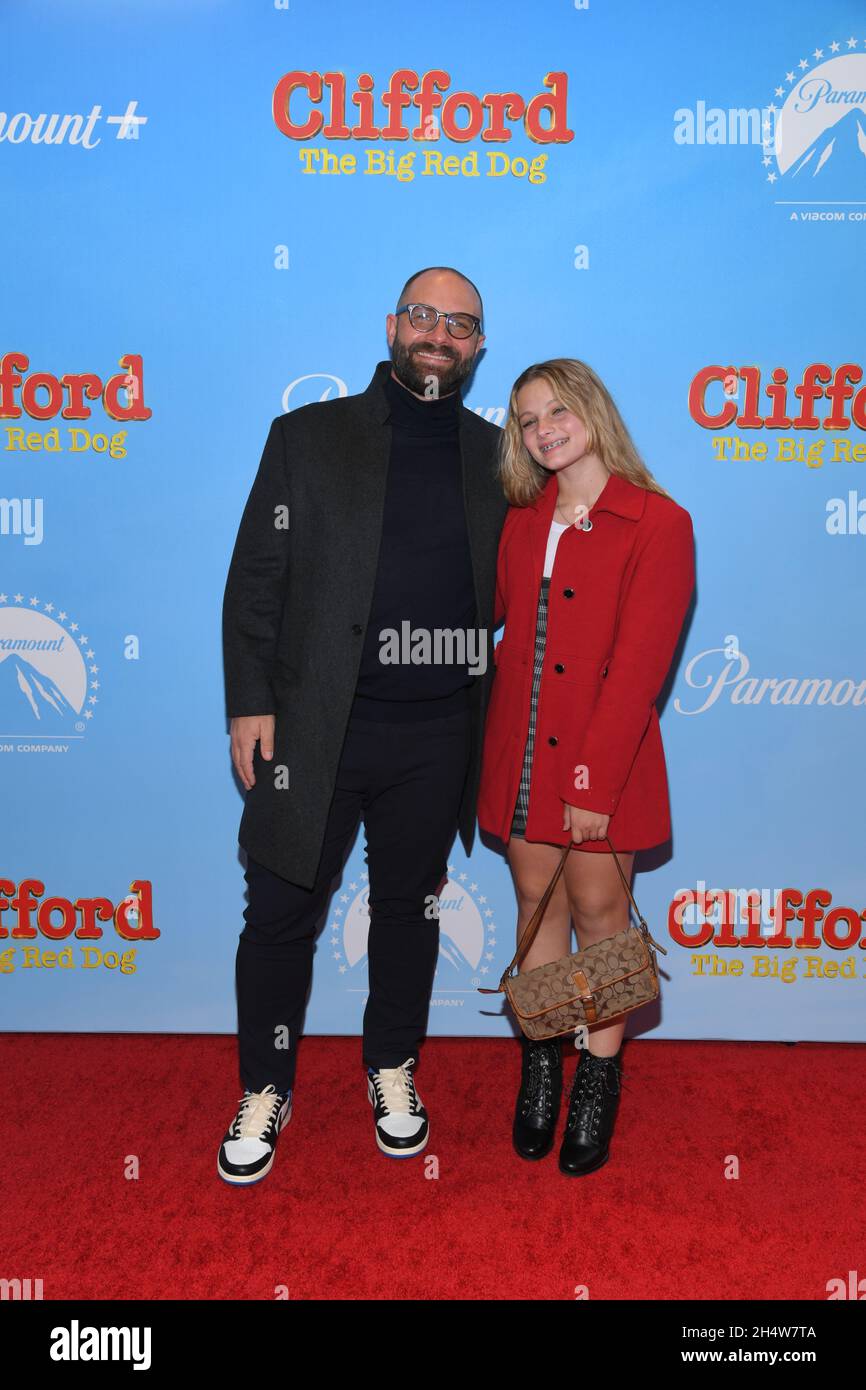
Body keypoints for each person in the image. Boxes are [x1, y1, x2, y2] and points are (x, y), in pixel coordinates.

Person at [218, 267, 508, 1184]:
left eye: (459, 324)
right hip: (313, 730)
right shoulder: (308, 438)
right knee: (277, 918)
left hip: (436, 736)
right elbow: (254, 582)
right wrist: (249, 702)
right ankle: (266, 1084)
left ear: (477, 348)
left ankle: (391, 1067)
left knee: (409, 911)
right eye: (424, 316)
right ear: (392, 326)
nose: (439, 334)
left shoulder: (498, 456)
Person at [476, 358, 695, 1176]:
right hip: (521, 748)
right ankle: (542, 1065)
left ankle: (598, 1076)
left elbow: (641, 670)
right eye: (528, 420)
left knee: (603, 915)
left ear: (594, 411)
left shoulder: (658, 523)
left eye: (557, 410)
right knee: (537, 908)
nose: (544, 430)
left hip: (605, 759)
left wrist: (593, 785)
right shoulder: (522, 518)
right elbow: (488, 617)